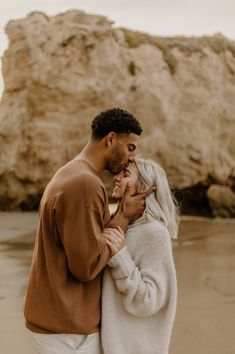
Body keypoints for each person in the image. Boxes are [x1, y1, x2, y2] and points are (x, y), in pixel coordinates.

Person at [24, 108, 155, 354]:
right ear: (111, 139)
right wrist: (125, 218)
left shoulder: (71, 173)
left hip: (56, 321)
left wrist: (119, 216)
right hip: (66, 330)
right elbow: (86, 265)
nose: (131, 157)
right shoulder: (85, 184)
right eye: (130, 147)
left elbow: (89, 238)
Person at [101, 157, 179, 354]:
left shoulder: (154, 233)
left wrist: (120, 259)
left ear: (144, 187)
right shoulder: (123, 225)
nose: (116, 178)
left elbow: (149, 301)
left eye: (125, 175)